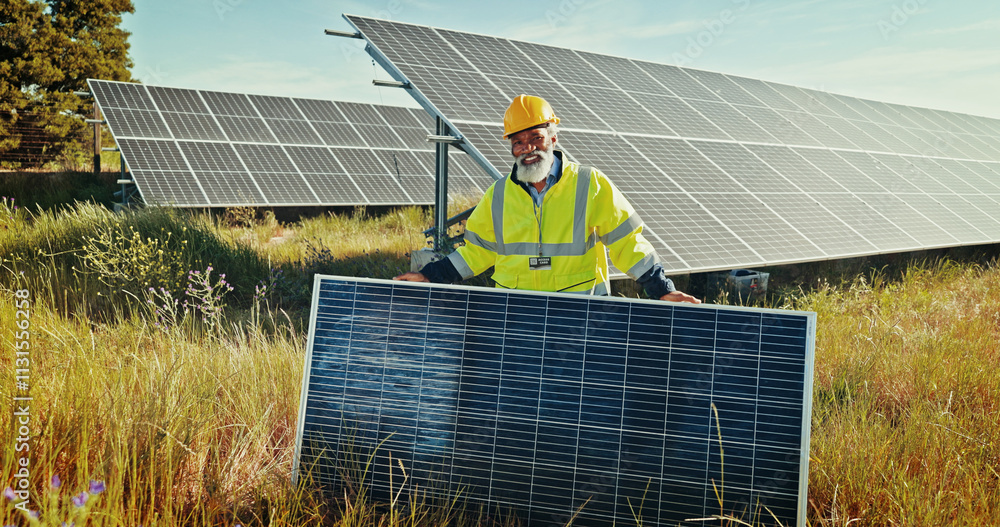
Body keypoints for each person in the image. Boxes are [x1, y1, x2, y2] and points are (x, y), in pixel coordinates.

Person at [395, 94, 700, 304]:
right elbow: (476, 253)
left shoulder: (589, 183)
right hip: (516, 318)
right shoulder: (498, 194)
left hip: (581, 318)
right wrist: (428, 276)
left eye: (535, 138)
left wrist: (662, 289)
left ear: (553, 138)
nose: (528, 149)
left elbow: (626, 243)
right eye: (518, 142)